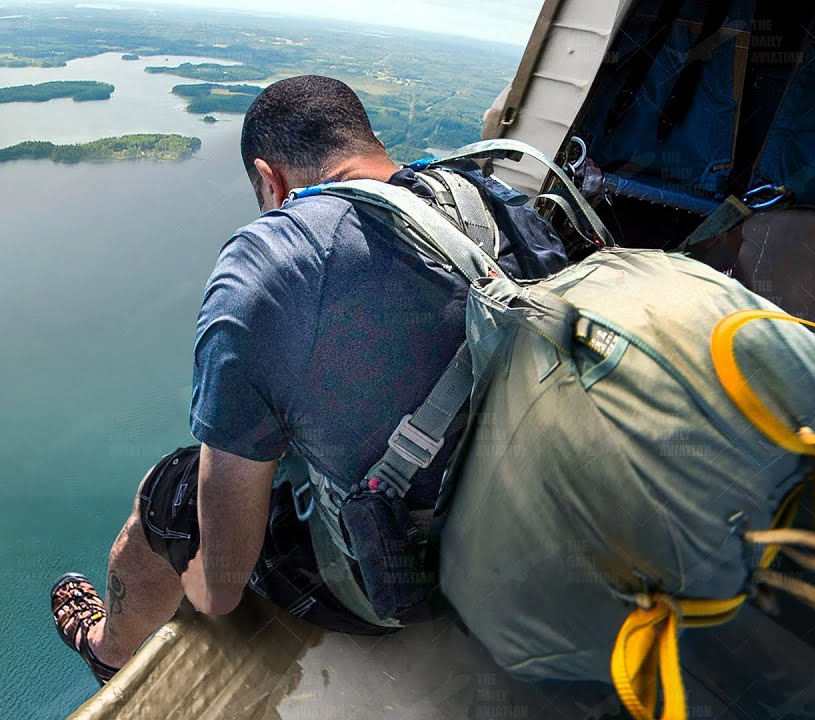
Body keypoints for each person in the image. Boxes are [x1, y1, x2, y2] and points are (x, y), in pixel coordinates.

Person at [50, 75, 567, 685]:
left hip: (418, 584)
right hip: (546, 539)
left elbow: (227, 575)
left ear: (270, 179)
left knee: (173, 489)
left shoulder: (273, 261)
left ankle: (108, 650)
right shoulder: (497, 201)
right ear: (369, 143)